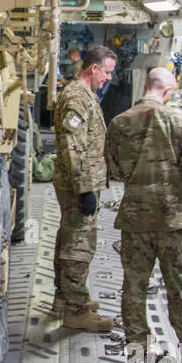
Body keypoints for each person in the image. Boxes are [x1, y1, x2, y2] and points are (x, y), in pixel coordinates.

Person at [104, 66, 182, 363]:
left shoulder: (120, 123)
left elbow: (115, 170)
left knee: (134, 286)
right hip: (174, 221)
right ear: (167, 91)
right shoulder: (180, 120)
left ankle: (138, 348)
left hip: (135, 219)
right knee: (180, 286)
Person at [52, 43, 118, 331]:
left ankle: (65, 298)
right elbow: (72, 146)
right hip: (79, 183)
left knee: (69, 236)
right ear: (94, 68)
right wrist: (84, 189)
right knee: (79, 244)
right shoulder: (77, 97)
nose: (109, 78)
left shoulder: (83, 94)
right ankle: (76, 311)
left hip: (82, 180)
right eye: (107, 72)